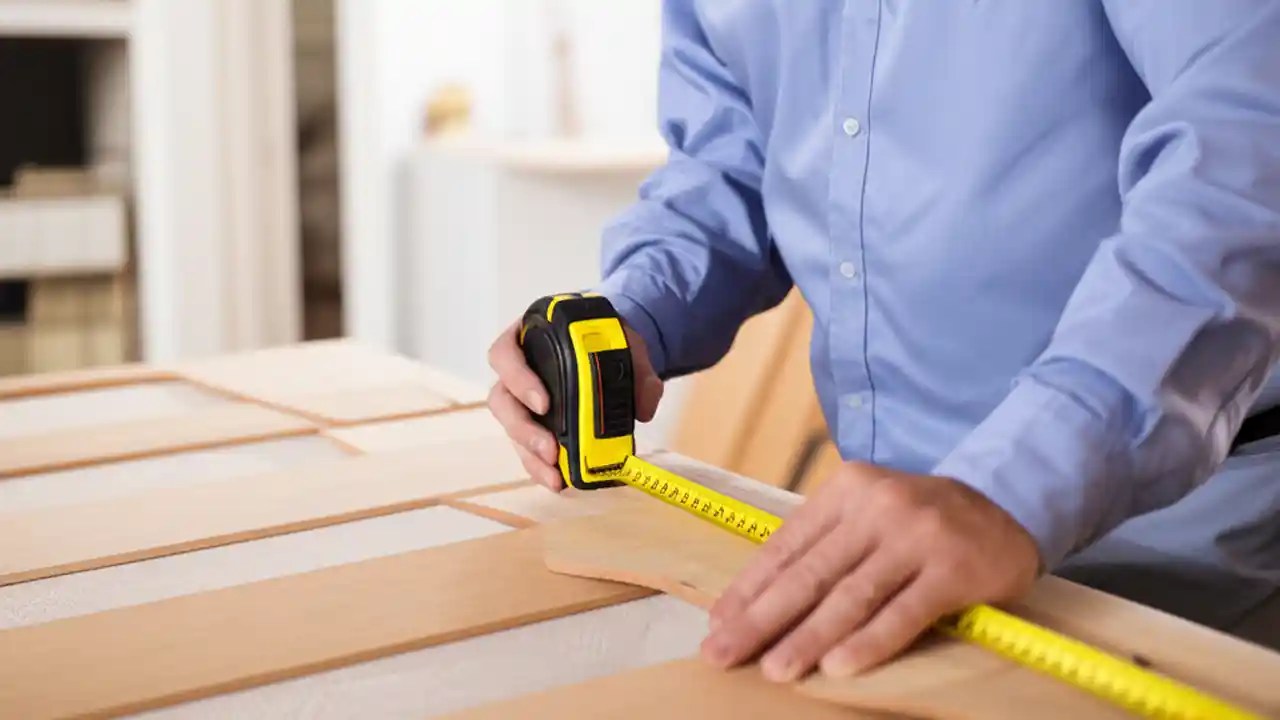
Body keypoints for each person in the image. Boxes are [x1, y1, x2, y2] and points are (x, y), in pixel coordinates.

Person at [488, 1, 1280, 682]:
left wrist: (1016, 483)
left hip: (1184, 545)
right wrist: (637, 314)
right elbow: (732, 158)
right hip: (886, 545)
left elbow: (1246, 157)